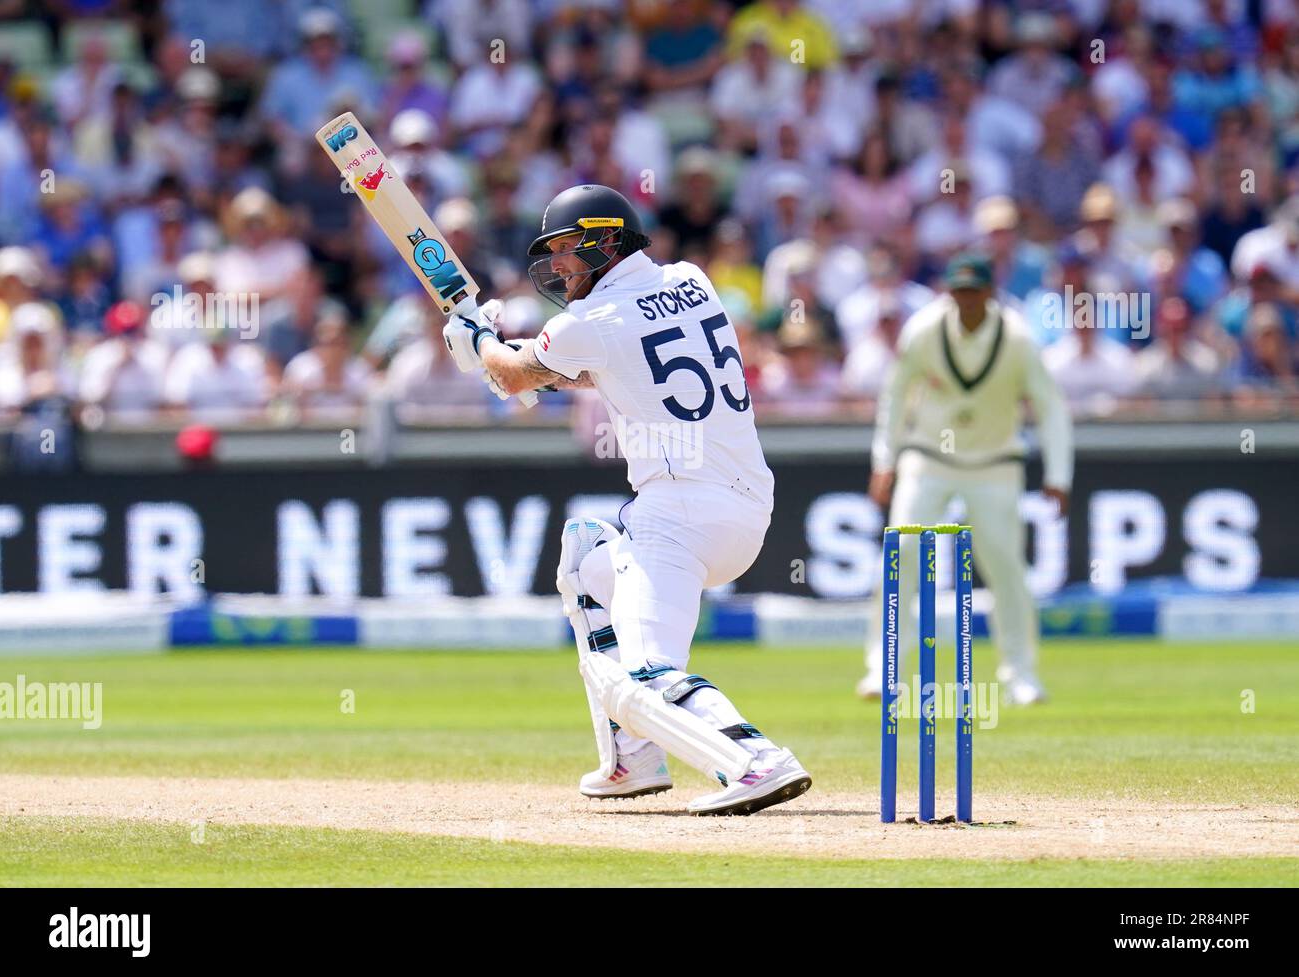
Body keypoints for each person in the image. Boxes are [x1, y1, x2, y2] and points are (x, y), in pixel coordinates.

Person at [443, 185, 811, 815]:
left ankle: (756, 760)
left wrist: (476, 341)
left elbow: (517, 374)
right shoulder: (691, 279)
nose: (557, 266)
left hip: (680, 516)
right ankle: (633, 759)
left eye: (566, 249)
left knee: (642, 680)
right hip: (747, 503)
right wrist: (516, 360)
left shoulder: (591, 321)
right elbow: (613, 364)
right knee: (585, 557)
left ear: (606, 240)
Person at [859, 253, 1073, 707]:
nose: (967, 301)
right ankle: (884, 667)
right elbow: (895, 396)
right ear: (949, 292)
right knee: (902, 555)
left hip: (996, 462)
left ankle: (1021, 675)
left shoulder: (1017, 337)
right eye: (959, 292)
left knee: (1006, 568)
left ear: (990, 292)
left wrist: (1058, 475)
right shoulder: (923, 330)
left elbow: (1050, 406)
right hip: (928, 457)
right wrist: (885, 460)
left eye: (974, 292)